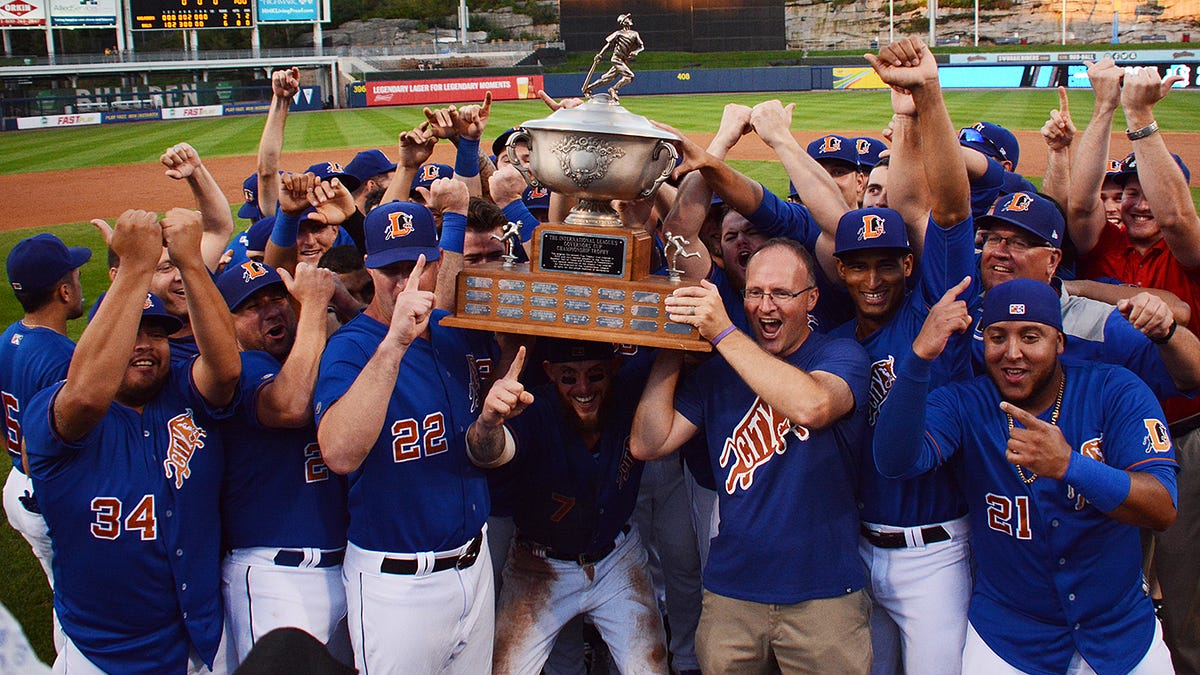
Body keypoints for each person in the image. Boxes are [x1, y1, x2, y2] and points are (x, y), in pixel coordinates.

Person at [874, 277, 1178, 673]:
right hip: (1011, 638)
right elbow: (895, 461)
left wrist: (1071, 465)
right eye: (998, 337)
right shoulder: (966, 401)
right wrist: (919, 359)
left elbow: (1163, 507)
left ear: (1060, 342)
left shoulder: (1114, 390)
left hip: (1120, 632)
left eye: (1031, 337)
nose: (1012, 353)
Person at [630, 237, 872, 673]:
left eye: (781, 293)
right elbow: (649, 443)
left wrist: (723, 332)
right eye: (755, 293)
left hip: (824, 595)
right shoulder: (721, 371)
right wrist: (672, 346)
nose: (766, 307)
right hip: (732, 592)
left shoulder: (841, 354)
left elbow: (813, 406)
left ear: (812, 298)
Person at [25, 208, 241, 674]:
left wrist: (190, 264)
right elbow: (84, 395)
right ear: (99, 344)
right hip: (104, 653)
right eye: (131, 335)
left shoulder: (184, 389)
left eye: (156, 334)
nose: (144, 345)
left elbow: (225, 369)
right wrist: (135, 269)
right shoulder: (57, 415)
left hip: (199, 642)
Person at [836, 35, 979, 674]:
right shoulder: (836, 339)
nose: (873, 280)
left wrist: (927, 98)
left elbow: (948, 207)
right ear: (840, 273)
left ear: (909, 264)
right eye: (858, 267)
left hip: (937, 555)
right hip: (855, 550)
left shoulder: (930, 308)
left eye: (886, 266)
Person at [314, 197, 495, 674]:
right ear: (369, 269)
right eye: (390, 269)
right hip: (397, 585)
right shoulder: (350, 349)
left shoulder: (456, 330)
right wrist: (396, 341)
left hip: (477, 565)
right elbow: (339, 452)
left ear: (437, 261)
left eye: (417, 264)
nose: (404, 281)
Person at [1066, 59, 1200, 674]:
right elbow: (1079, 204)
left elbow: (1177, 222)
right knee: (1108, 580)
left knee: (1184, 588)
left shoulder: (1188, 248)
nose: (1140, 203)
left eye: (1154, 189)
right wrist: (1101, 110)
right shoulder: (1111, 242)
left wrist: (1139, 117)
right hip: (1105, 439)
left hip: (1184, 434)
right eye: (1132, 192)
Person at [467, 339, 668, 675]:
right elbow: (489, 453)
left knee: (649, 667)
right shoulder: (533, 409)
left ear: (614, 369)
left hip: (615, 557)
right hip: (538, 566)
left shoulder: (627, 390)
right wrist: (487, 425)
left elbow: (668, 349)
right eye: (569, 377)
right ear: (548, 373)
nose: (583, 387)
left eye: (595, 374)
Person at [215, 259, 350, 668]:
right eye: (252, 306)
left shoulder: (308, 357)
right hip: (276, 575)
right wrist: (312, 308)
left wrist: (339, 301)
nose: (271, 310)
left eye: (277, 297)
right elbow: (290, 407)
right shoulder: (240, 371)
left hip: (342, 566)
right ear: (226, 322)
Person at [1, 234, 90, 592]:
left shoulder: (7, 338)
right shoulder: (63, 359)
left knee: (64, 594)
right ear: (64, 292)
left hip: (16, 485)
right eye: (75, 276)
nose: (80, 282)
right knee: (88, 605)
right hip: (46, 492)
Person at [582, 13, 644, 100]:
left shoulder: (635, 34)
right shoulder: (618, 33)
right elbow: (608, 45)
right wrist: (600, 55)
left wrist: (636, 52)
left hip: (623, 60)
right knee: (629, 76)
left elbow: (641, 46)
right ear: (623, 22)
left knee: (607, 79)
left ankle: (588, 89)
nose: (630, 20)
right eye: (627, 19)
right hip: (616, 59)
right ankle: (614, 89)